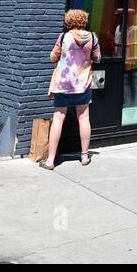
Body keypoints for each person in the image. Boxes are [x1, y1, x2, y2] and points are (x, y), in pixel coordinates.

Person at [42, 9, 102, 170]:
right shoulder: (92, 37)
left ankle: (50, 160)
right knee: (84, 118)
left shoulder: (63, 37)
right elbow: (98, 57)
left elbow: (53, 57)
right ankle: (84, 156)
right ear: (84, 21)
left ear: (69, 21)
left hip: (64, 85)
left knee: (58, 119)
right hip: (83, 84)